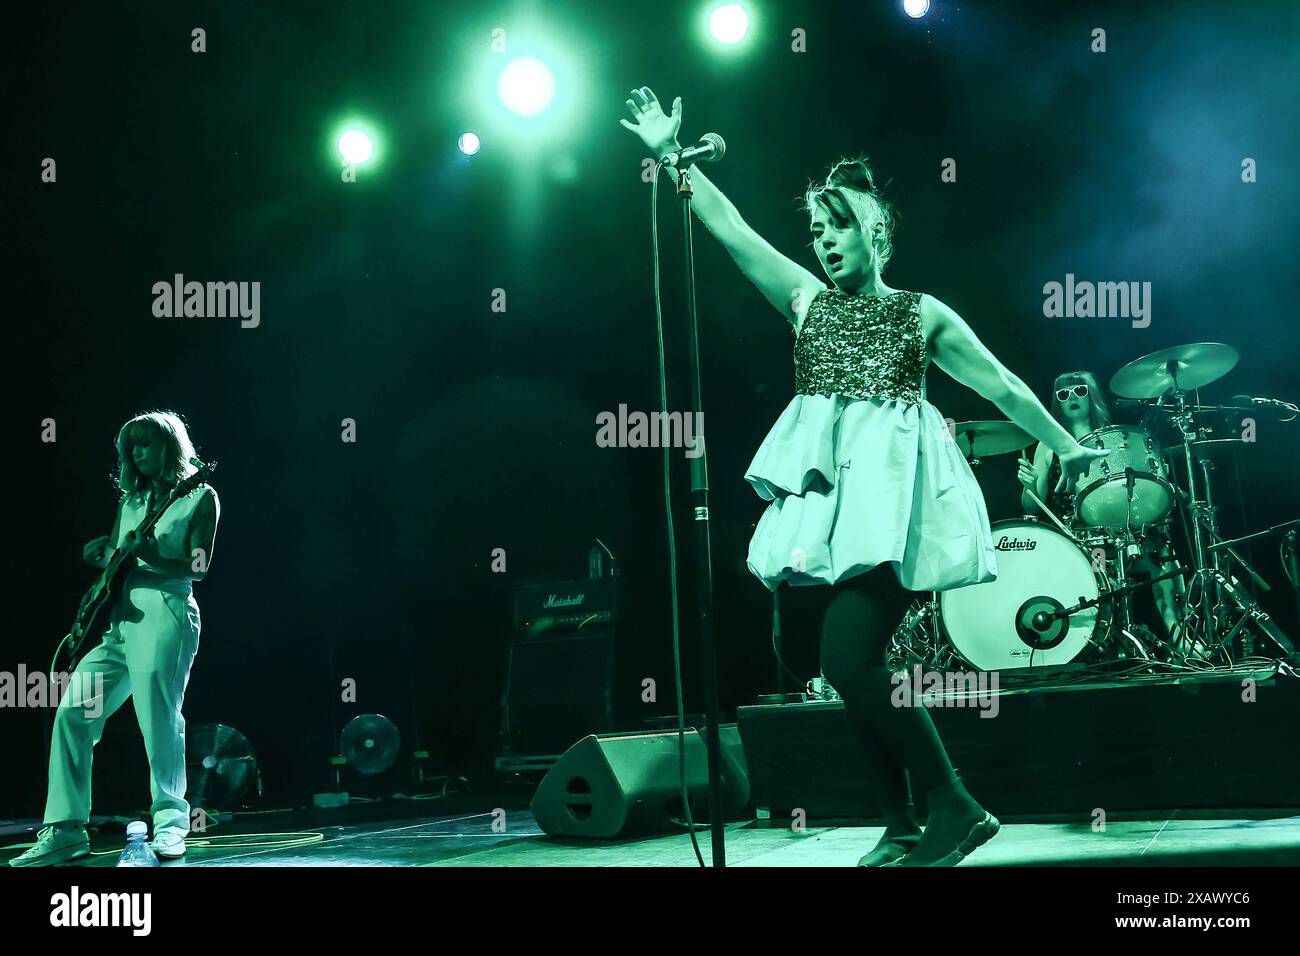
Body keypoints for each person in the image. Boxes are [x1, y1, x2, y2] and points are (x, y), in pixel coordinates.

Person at [620, 86, 1107, 866]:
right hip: (821, 507)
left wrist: (1068, 445)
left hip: (888, 507)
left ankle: (954, 806)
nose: (823, 242)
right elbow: (731, 228)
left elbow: (1003, 387)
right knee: (820, 661)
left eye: (838, 226)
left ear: (874, 232)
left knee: (850, 659)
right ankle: (901, 822)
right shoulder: (806, 301)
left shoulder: (922, 315)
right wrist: (672, 158)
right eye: (815, 230)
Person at [10, 411, 219, 866]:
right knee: (72, 714)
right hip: (121, 621)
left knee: (157, 718)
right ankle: (65, 830)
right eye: (130, 448)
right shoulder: (132, 500)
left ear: (169, 445)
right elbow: (117, 562)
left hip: (166, 611)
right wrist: (103, 555)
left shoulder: (199, 496)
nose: (136, 454)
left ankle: (170, 824)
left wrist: (157, 556)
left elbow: (200, 566)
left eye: (145, 445)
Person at [1017, 371, 1188, 648]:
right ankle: (1098, 642)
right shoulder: (1047, 444)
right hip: (1076, 536)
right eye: (1063, 394)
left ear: (1091, 396)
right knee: (1100, 564)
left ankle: (1178, 634)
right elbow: (1031, 507)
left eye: (1079, 391)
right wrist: (1029, 486)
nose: (1072, 397)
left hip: (1122, 528)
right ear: (1056, 403)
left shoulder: (1114, 438)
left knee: (1161, 552)